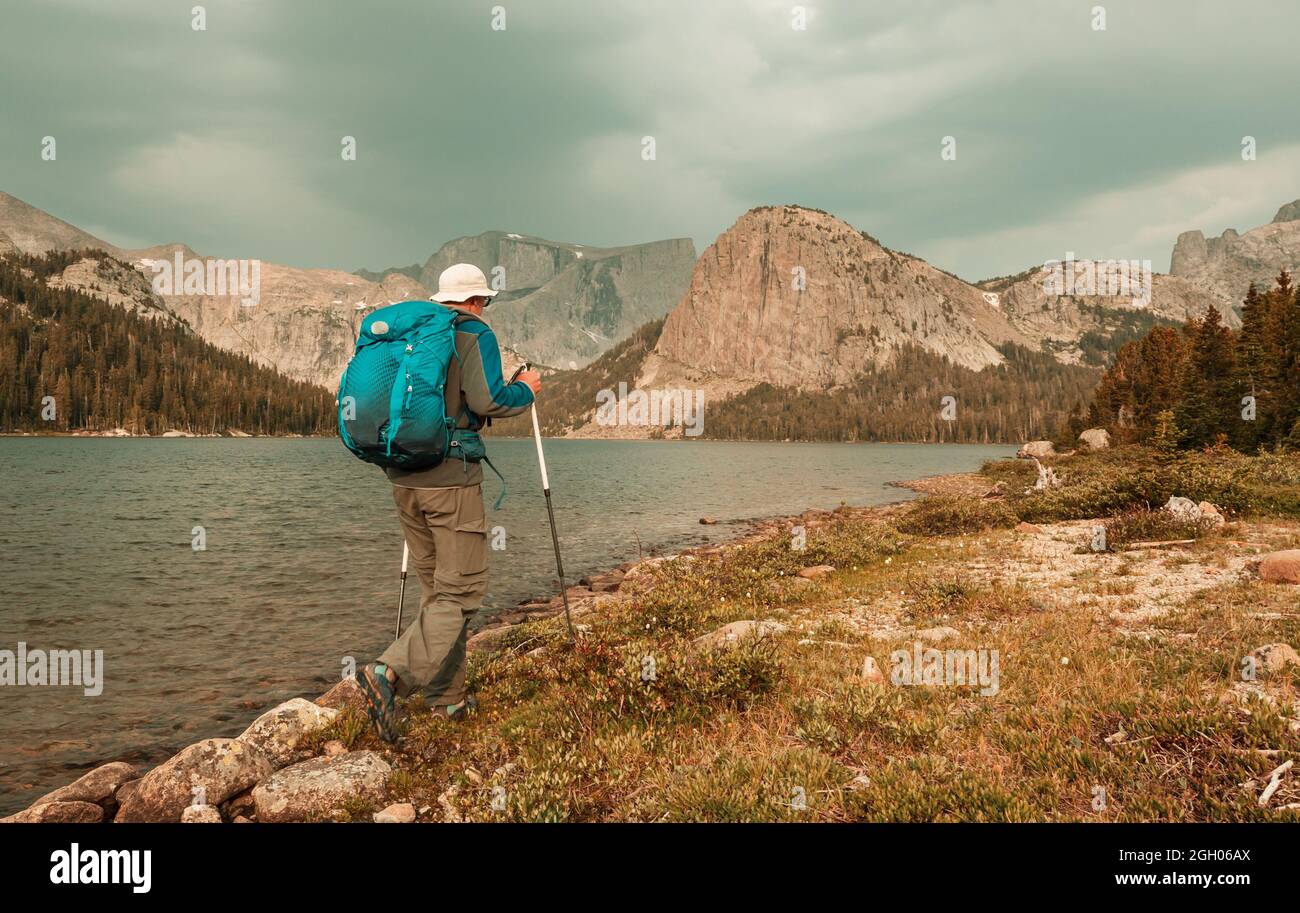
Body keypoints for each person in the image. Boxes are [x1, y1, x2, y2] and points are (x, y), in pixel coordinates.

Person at [356, 263, 541, 741]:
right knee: (460, 594)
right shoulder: (474, 333)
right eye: (486, 301)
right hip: (451, 480)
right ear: (478, 300)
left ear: (442, 298)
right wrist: (528, 390)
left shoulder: (413, 334)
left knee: (439, 592)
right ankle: (388, 673)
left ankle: (448, 700)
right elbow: (488, 400)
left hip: (404, 477)